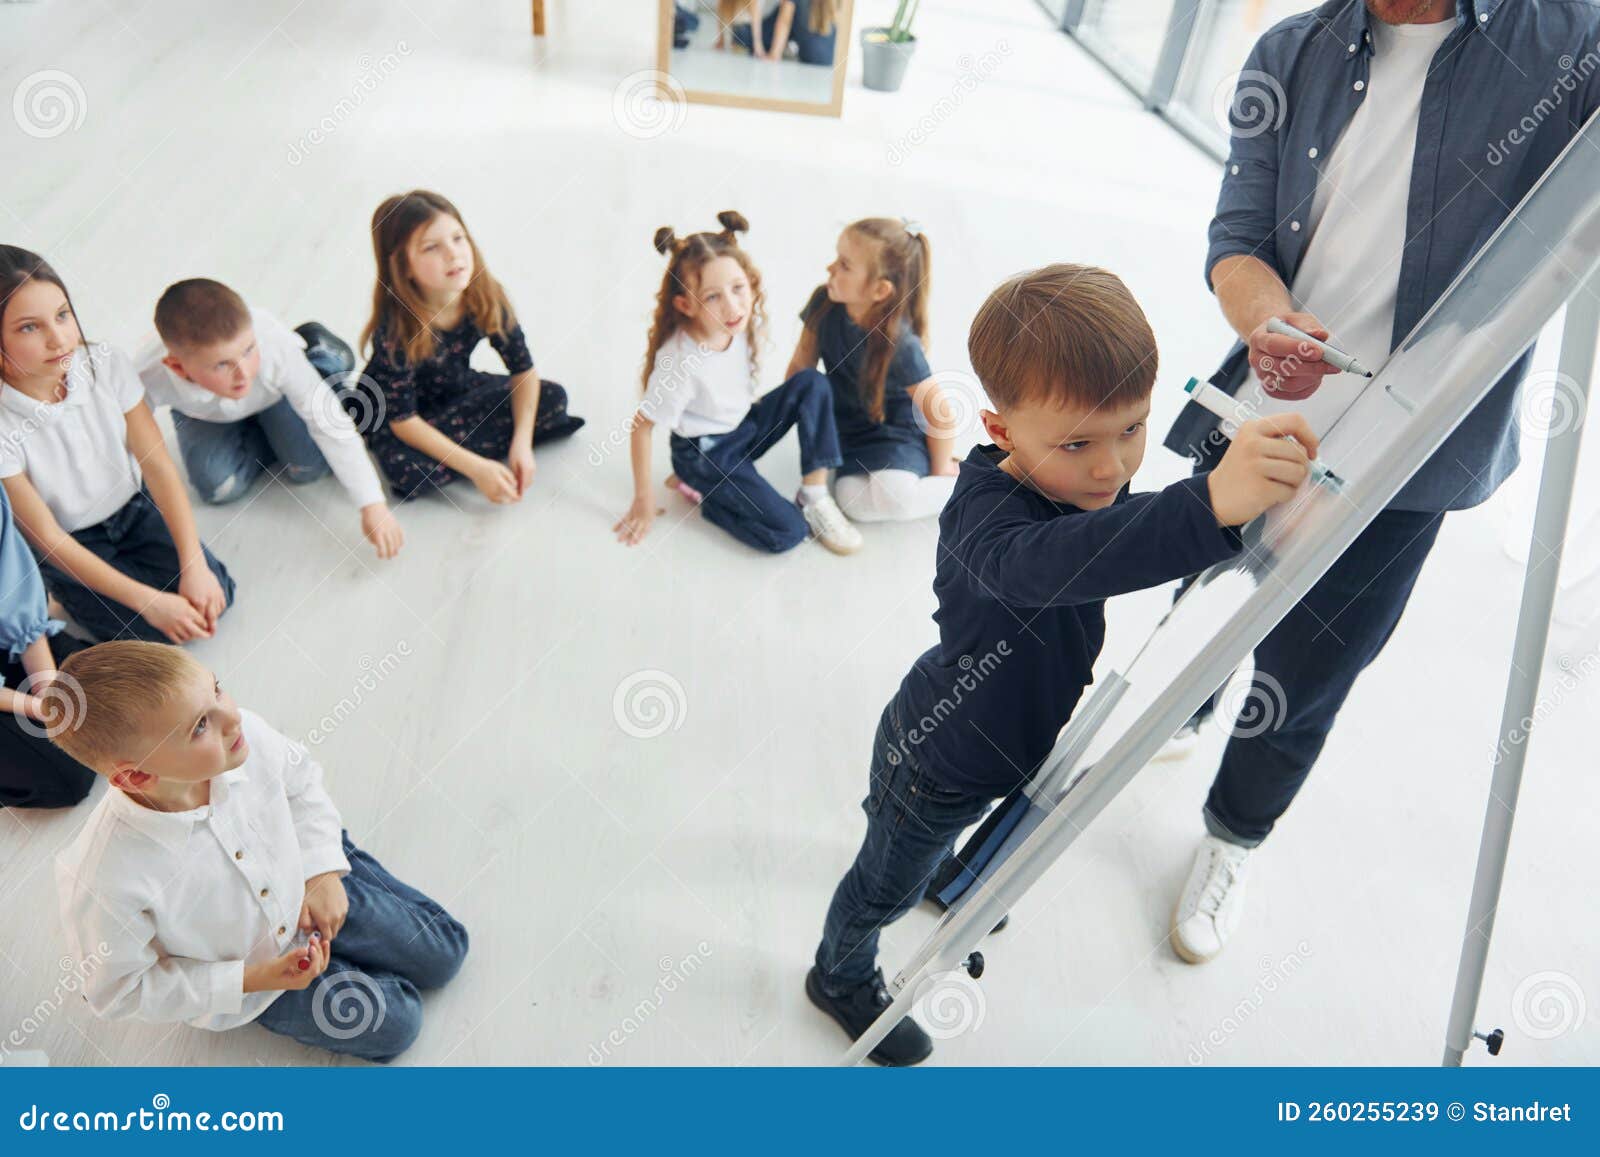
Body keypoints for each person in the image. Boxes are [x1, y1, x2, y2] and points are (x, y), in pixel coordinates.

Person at [1161, 0, 1600, 964]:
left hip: (1406, 457)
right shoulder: (1290, 52)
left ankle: (1233, 837)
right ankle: (1185, 698)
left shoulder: (1570, 43)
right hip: (1265, 413)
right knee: (1206, 585)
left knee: (1310, 667)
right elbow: (1235, 242)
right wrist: (1266, 318)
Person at [809, 264, 1318, 1064]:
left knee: (953, 838)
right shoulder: (989, 529)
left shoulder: (1077, 480)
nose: (1113, 468)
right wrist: (1209, 504)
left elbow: (1111, 530)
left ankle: (948, 873)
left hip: (1009, 737)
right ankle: (838, 974)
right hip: (941, 755)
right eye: (1079, 442)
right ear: (1001, 430)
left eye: (1132, 429)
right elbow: (1071, 560)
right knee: (884, 881)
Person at [51, 641, 469, 1062]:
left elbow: (301, 782)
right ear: (137, 776)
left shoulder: (241, 736)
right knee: (400, 1026)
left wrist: (321, 871)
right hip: (260, 978)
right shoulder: (102, 877)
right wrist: (247, 980)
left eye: (218, 689)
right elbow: (118, 990)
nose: (232, 718)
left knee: (446, 953)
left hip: (305, 887)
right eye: (200, 726)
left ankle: (340, 866)